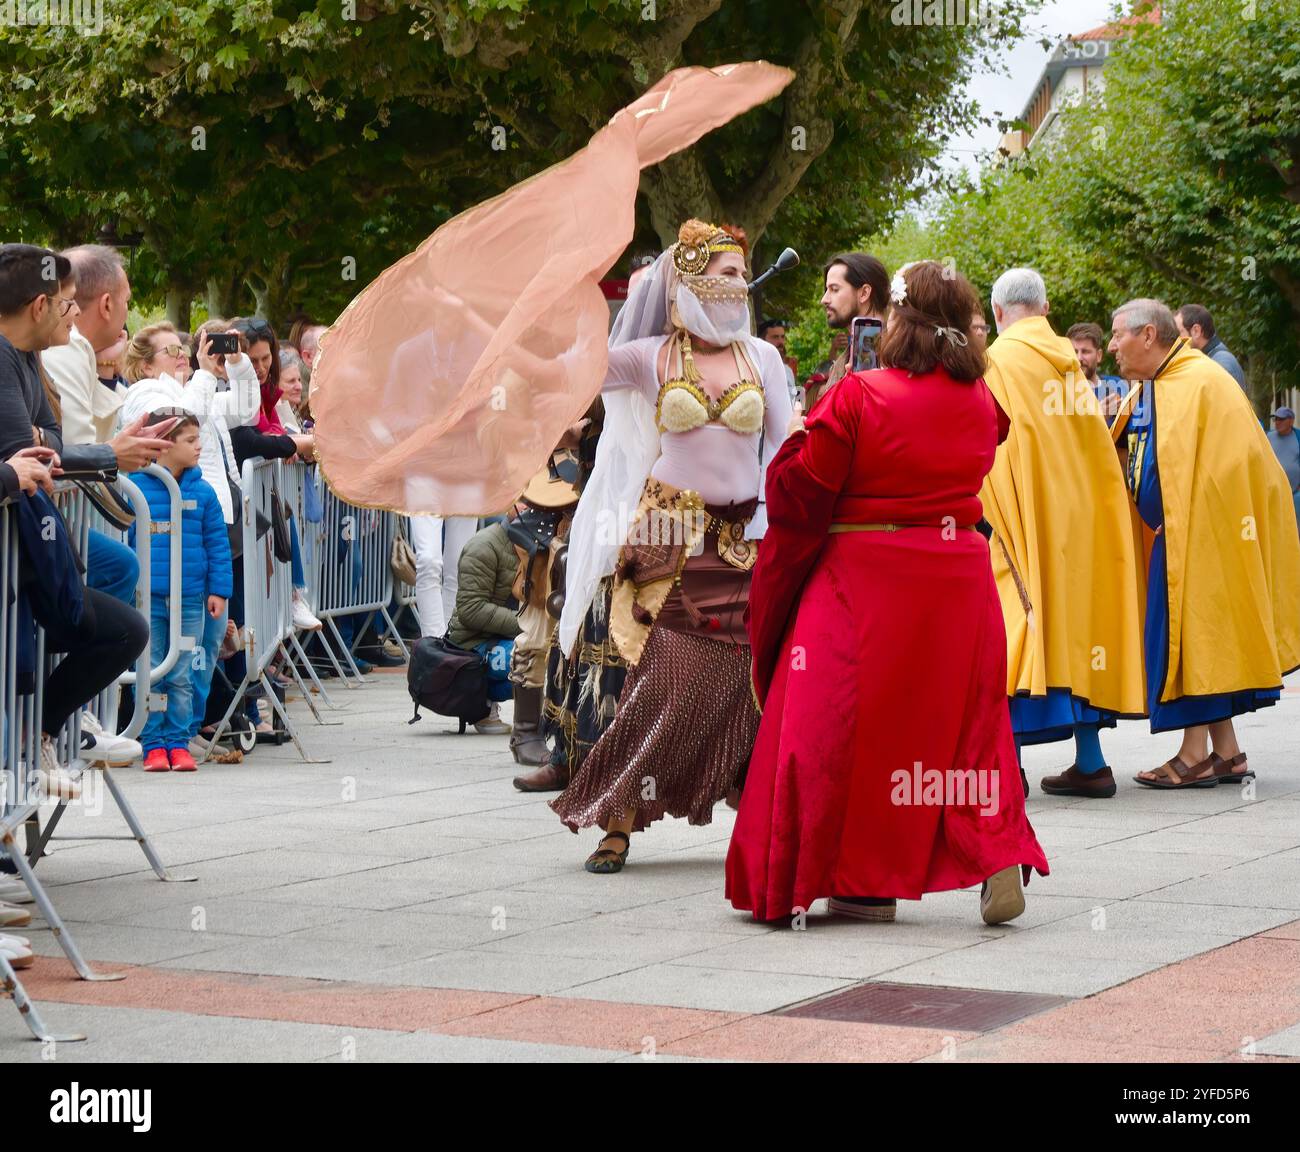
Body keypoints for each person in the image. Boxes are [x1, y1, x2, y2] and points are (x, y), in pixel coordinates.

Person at [728, 260, 1048, 925]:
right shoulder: (981, 401)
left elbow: (803, 489)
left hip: (864, 576)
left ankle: (847, 882)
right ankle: (995, 851)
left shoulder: (858, 394)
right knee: (971, 732)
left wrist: (794, 443)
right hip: (959, 575)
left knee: (828, 725)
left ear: (897, 321)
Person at [551, 218, 792, 874]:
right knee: (651, 677)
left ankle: (748, 798)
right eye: (727, 273)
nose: (741, 283)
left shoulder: (762, 360)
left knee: (742, 679)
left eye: (745, 273)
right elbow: (576, 370)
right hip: (660, 527)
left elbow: (786, 449)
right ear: (687, 284)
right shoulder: (652, 355)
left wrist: (775, 527)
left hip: (739, 532)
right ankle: (617, 815)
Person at [1110, 299, 1300, 788]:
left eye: (1118, 336)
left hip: (1204, 535)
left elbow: (1237, 465)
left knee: (1191, 637)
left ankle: (1193, 756)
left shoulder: (1198, 382)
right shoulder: (1170, 383)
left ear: (1148, 335)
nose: (1112, 347)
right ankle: (1228, 752)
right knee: (1202, 639)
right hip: (1187, 532)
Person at [980, 269, 1145, 799]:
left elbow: (993, 445)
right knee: (1076, 627)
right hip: (1080, 516)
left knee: (1014, 622)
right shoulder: (1070, 365)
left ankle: (1011, 768)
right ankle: (1092, 762)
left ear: (999, 311)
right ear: (1046, 307)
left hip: (1023, 512)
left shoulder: (998, 361)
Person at [0, 244, 151, 798]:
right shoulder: (6, 356)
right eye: (66, 306)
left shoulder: (26, 359)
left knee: (120, 624)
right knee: (21, 666)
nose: (73, 317)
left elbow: (50, 441)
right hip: (19, 560)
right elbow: (30, 453)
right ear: (40, 305)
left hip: (30, 557)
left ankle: (45, 734)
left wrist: (37, 452)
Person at [119, 321, 261, 756]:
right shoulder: (146, 395)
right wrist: (201, 370)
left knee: (209, 642)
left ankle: (186, 727)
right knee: (167, 652)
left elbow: (245, 410)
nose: (183, 355)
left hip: (210, 515)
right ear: (145, 365)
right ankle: (163, 735)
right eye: (171, 351)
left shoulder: (194, 386)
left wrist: (235, 364)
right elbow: (180, 419)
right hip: (173, 531)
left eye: (184, 348)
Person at [127, 413, 232, 772]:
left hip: (189, 598)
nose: (199, 446)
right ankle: (152, 742)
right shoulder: (136, 486)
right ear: (165, 445)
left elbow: (217, 545)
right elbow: (125, 539)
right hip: (148, 598)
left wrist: (218, 590)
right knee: (151, 668)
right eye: (190, 440)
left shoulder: (204, 492)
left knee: (184, 671)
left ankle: (179, 740)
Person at [446, 516, 522, 734]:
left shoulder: (533, 543)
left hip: (499, 635)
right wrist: (529, 625)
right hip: (473, 644)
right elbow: (471, 609)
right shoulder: (483, 545)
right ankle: (482, 700)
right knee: (529, 659)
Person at [803, 253, 890, 409]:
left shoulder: (898, 354)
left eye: (834, 289)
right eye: (826, 290)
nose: (824, 299)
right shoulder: (843, 361)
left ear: (864, 293)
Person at [1175, 304, 1247, 394]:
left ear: (1196, 331)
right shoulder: (1212, 358)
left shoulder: (1221, 364)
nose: (1175, 340)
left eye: (1178, 333)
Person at [1068, 321, 1126, 424]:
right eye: (1074, 352)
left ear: (1099, 355)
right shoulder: (1060, 392)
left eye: (1085, 352)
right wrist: (1099, 416)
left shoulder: (1118, 386)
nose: (1079, 358)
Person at [1266, 405, 1300, 530]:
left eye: (1281, 419)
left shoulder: (1298, 437)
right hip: (1274, 490)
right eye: (1276, 419)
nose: (1277, 422)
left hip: (1295, 492)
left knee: (1295, 524)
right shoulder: (1269, 437)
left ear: (1291, 421)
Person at [758, 318, 800, 408]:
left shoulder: (788, 370)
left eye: (782, 337)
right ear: (762, 340)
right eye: (775, 337)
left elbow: (796, 398)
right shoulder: (755, 368)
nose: (781, 342)